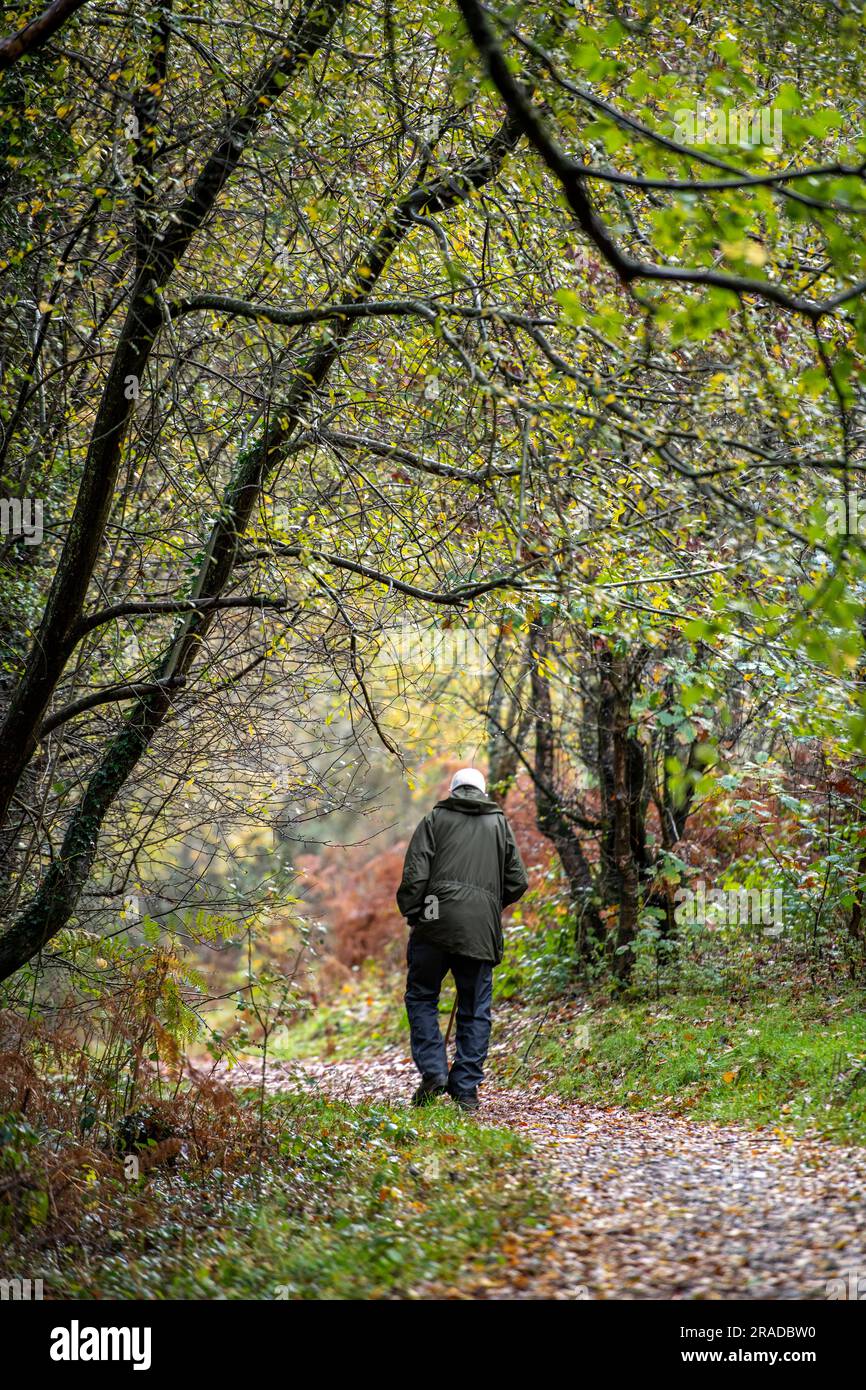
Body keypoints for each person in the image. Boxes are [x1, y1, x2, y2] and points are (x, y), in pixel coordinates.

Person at [396, 767, 529, 1111]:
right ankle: (466, 1090)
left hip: (434, 917)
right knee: (475, 1009)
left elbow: (415, 874)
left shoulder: (434, 819)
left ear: (454, 790)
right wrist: (486, 905)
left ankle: (435, 1071)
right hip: (479, 930)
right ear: (482, 792)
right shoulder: (499, 824)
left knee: (422, 996)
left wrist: (414, 912)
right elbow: (517, 881)